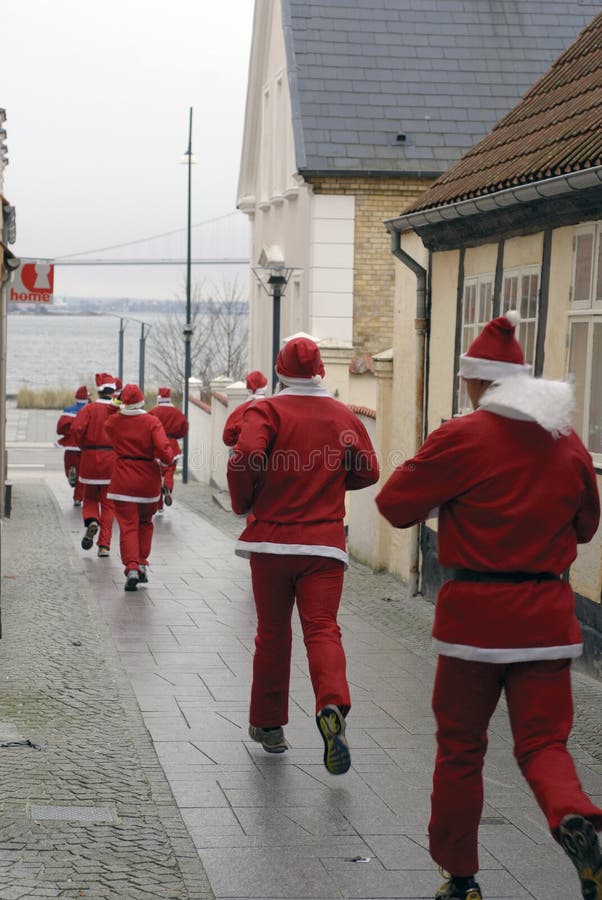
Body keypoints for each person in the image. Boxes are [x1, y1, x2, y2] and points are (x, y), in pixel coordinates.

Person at [375, 311, 602, 900]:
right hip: (548, 617)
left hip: (474, 621)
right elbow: (586, 526)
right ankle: (573, 816)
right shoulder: (567, 441)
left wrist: (444, 483)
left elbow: (395, 504)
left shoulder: (463, 436)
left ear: (477, 382)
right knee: (544, 744)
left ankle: (461, 877)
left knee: (460, 750)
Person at [227, 336, 379, 774]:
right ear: (321, 372)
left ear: (280, 371)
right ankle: (331, 705)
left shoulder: (266, 410)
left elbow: (246, 455)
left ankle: (269, 725)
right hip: (324, 546)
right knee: (323, 630)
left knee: (273, 634)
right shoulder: (341, 415)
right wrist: (332, 484)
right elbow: (369, 468)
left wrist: (247, 502)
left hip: (272, 544)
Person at [106, 383, 175, 592]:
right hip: (148, 481)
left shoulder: (114, 422)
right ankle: (142, 562)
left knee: (128, 525)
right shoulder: (152, 422)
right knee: (145, 523)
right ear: (142, 401)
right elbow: (164, 451)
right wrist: (168, 461)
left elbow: (107, 421)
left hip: (123, 480)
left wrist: (115, 404)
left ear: (123, 402)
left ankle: (132, 566)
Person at [70, 373, 118, 558]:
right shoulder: (117, 410)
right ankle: (104, 545)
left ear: (98, 391)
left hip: (90, 457)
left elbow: (76, 429)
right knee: (108, 504)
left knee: (89, 497)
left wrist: (84, 446)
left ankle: (91, 521)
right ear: (113, 391)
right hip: (111, 460)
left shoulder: (88, 410)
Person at [147, 387, 188, 508]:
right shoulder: (178, 413)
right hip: (172, 444)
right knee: (170, 469)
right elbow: (183, 429)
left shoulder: (153, 412)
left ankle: (158, 504)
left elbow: (147, 428)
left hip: (157, 443)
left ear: (159, 398)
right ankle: (168, 488)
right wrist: (176, 436)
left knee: (157, 473)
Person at [55, 384, 90, 506]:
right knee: (83, 474)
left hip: (70, 445)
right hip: (84, 447)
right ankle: (78, 498)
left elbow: (59, 429)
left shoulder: (68, 411)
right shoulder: (90, 410)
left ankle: (70, 471)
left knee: (70, 465)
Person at [222, 370, 268, 448]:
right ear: (265, 388)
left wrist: (239, 440)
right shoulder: (271, 408)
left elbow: (227, 437)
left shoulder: (240, 410)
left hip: (242, 453)